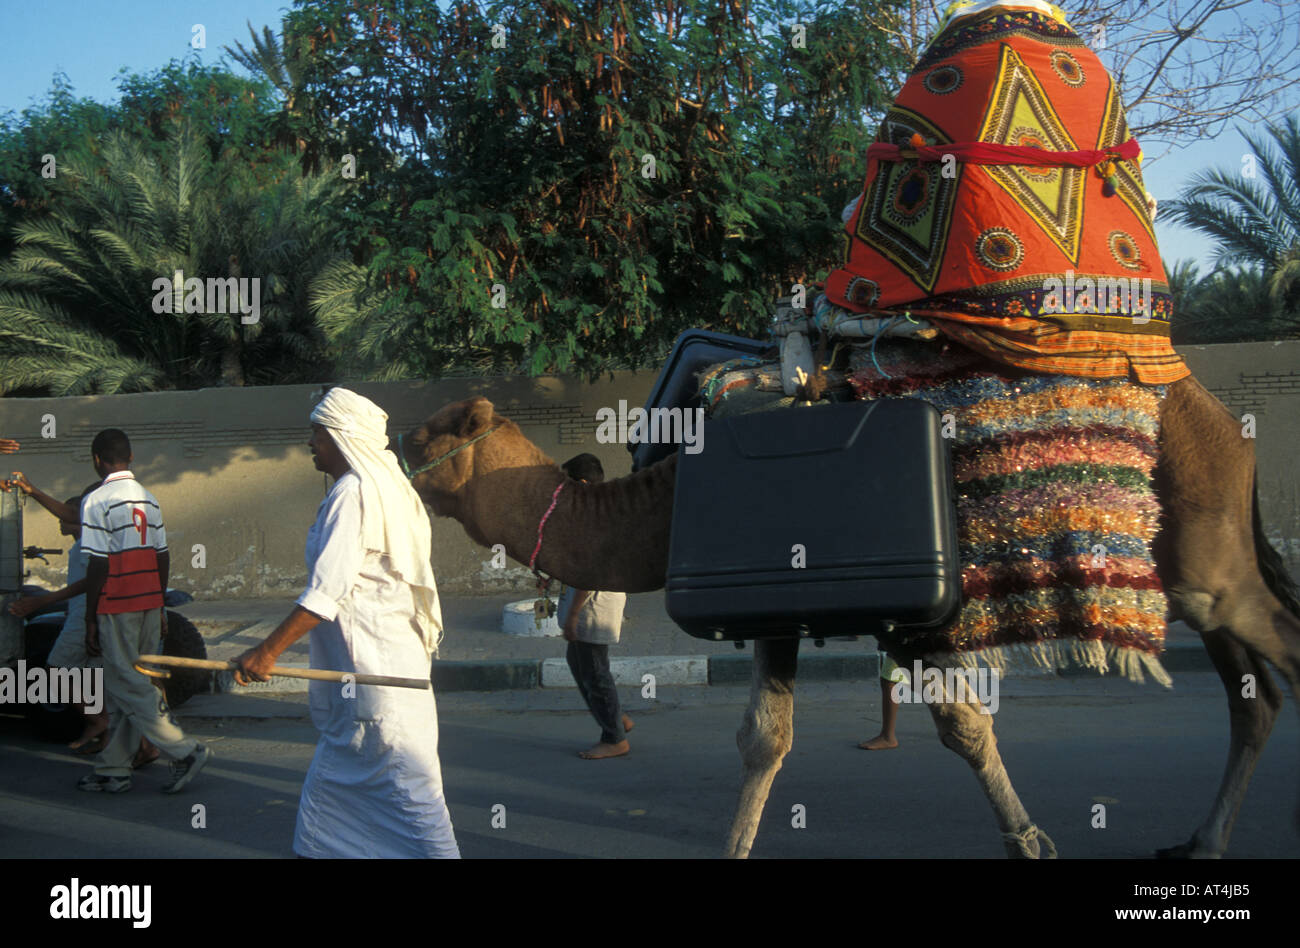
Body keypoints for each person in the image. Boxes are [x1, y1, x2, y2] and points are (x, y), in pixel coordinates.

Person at [232, 387, 459, 858]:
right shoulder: (373, 485)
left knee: (412, 798)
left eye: (318, 432)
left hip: (378, 678)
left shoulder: (356, 493)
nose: (310, 442)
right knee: (331, 811)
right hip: (363, 683)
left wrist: (266, 651)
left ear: (341, 436)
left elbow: (325, 592)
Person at [78, 429, 209, 793]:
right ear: (131, 457)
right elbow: (161, 554)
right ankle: (114, 769)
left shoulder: (96, 499)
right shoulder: (149, 500)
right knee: (133, 684)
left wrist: (90, 617)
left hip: (117, 604)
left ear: (97, 460)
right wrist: (160, 604)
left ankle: (185, 750)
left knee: (124, 681)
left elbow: (98, 564)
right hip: (150, 602)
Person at [557, 453, 632, 760]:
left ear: (583, 483)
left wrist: (572, 616)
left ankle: (614, 737)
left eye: (567, 483)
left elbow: (588, 574)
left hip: (593, 606)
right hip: (596, 600)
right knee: (580, 663)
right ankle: (617, 719)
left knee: (594, 671)